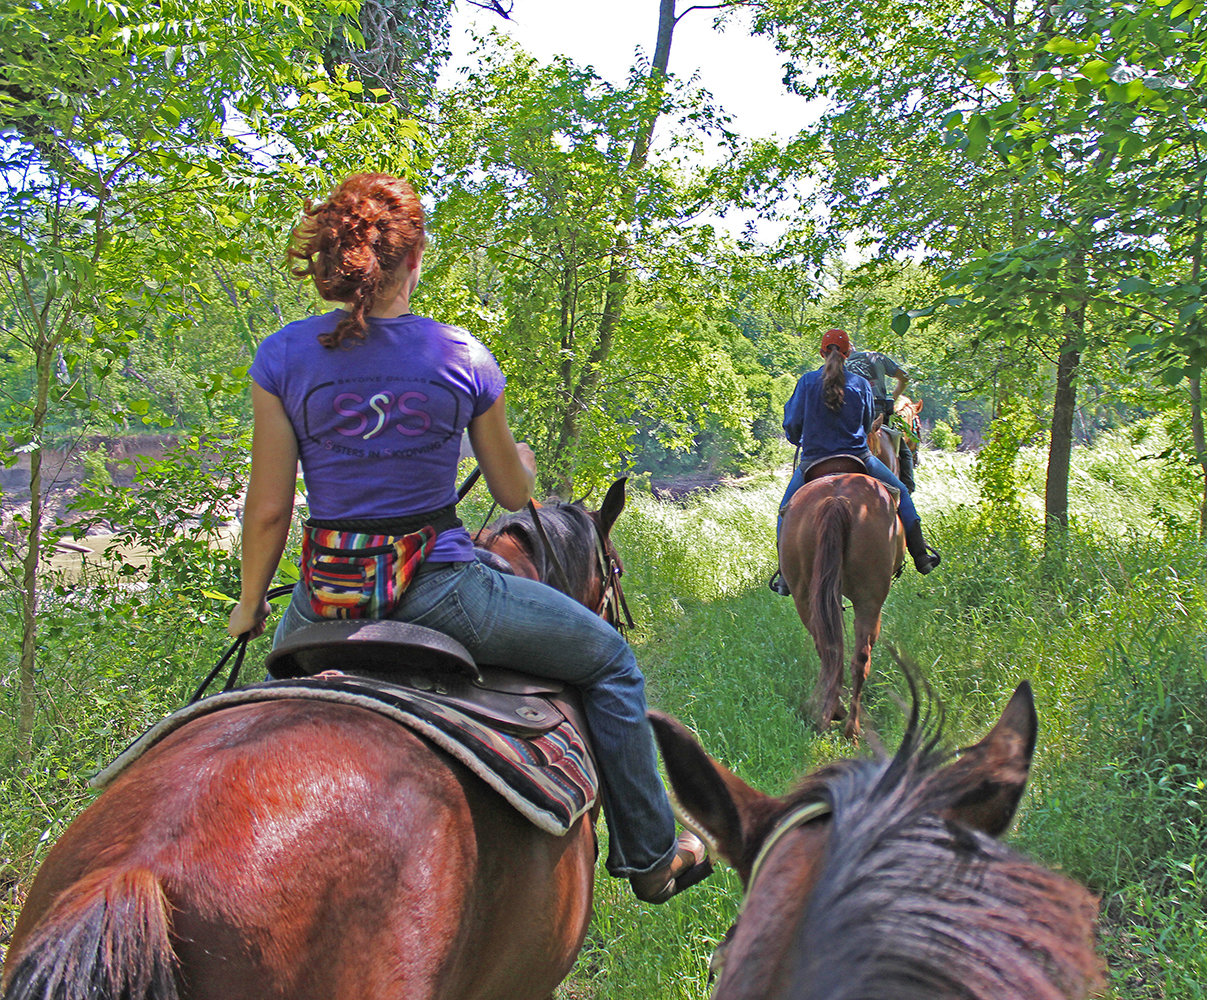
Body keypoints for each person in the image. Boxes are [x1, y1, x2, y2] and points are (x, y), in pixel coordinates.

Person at [226, 173, 708, 904]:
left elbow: (266, 510)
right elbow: (514, 494)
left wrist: (249, 606)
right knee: (610, 662)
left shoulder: (283, 357)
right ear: (413, 261)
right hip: (444, 593)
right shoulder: (461, 357)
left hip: (326, 605)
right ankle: (651, 856)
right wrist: (523, 467)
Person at [767, 329, 939, 596]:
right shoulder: (860, 384)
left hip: (813, 462)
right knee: (902, 492)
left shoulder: (806, 382)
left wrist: (796, 437)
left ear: (822, 353)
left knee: (786, 510)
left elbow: (791, 425)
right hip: (859, 459)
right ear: (847, 354)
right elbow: (867, 423)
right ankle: (920, 555)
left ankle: (785, 575)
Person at [846, 342, 916, 492]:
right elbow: (904, 377)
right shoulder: (877, 357)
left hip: (848, 418)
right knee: (904, 452)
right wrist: (893, 396)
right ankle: (907, 489)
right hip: (878, 414)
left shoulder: (839, 364)